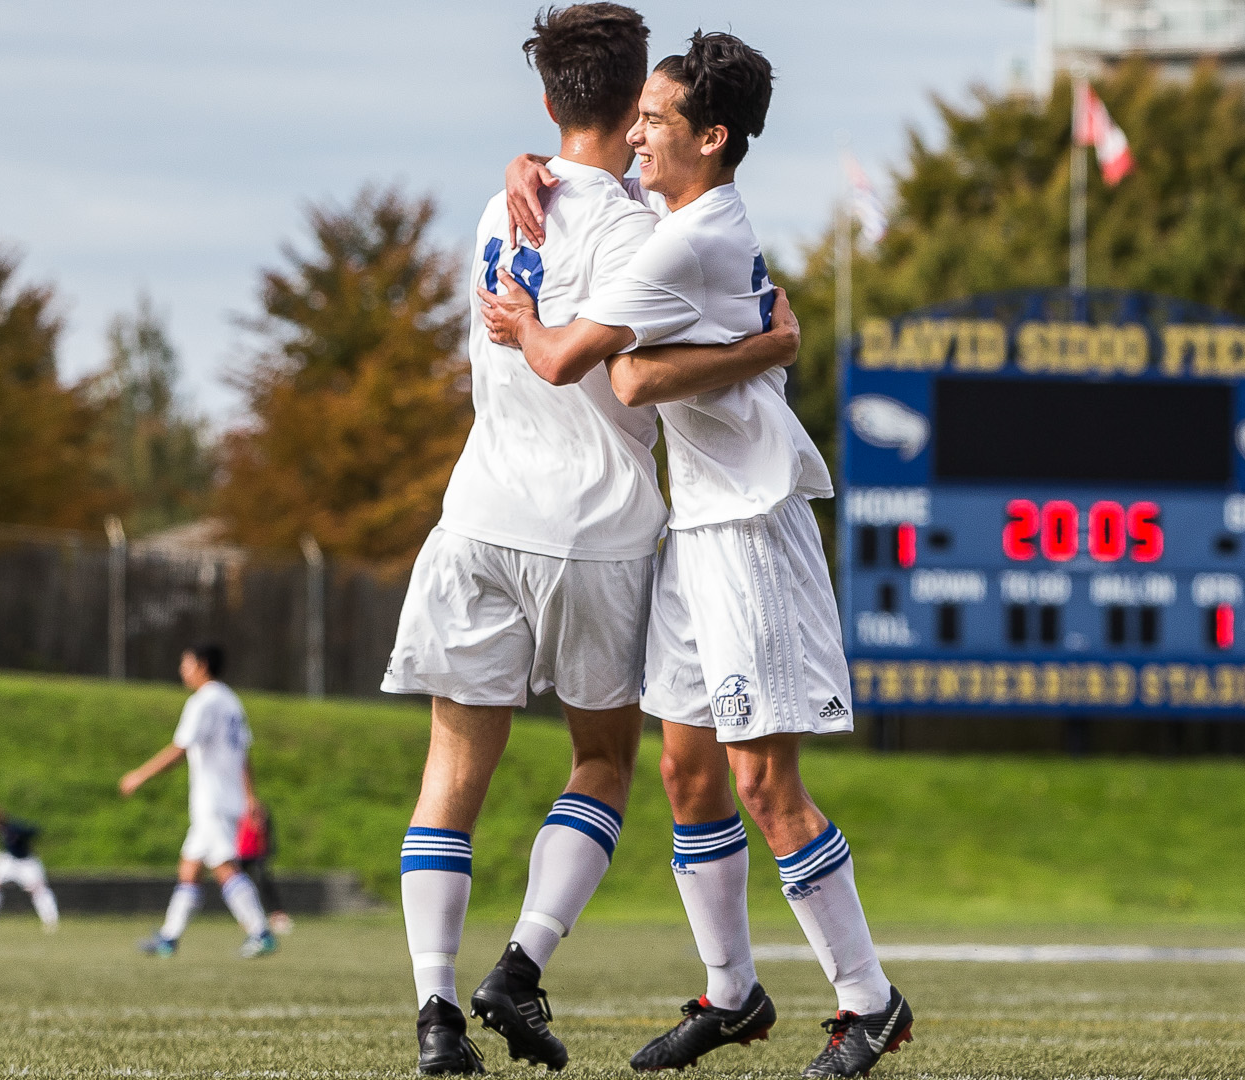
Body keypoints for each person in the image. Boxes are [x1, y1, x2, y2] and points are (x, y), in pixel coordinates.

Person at [483, 33, 913, 1078]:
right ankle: (732, 995)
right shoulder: (686, 212)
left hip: (752, 528)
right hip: (699, 526)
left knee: (764, 784)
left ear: (711, 137)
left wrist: (524, 321)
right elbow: (597, 177)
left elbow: (582, 367)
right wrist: (529, 164)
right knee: (684, 768)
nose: (635, 133)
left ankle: (871, 1003)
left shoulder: (685, 242)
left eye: (656, 119)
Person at [380, 6, 799, 1074]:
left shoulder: (501, 203)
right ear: (638, 105)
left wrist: (525, 163)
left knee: (450, 775)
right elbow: (636, 364)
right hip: (594, 531)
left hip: (478, 514)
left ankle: (435, 1013)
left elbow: (552, 204)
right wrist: (770, 344)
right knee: (603, 762)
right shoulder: (649, 230)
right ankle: (520, 963)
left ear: (546, 100)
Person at [121, 643, 276, 958]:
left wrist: (140, 775)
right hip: (225, 798)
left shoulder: (203, 702)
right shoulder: (231, 700)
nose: (182, 670)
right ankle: (169, 938)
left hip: (212, 801)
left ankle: (260, 932)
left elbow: (180, 748)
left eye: (186, 663)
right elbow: (243, 754)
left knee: (224, 867)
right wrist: (249, 796)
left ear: (202, 665)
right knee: (190, 867)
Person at [0, 805, 59, 932]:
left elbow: (32, 831)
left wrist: (22, 836)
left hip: (26, 861)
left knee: (38, 889)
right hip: (8, 859)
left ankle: (51, 920)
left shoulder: (13, 827)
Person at [235, 805, 292, 936]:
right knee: (240, 885)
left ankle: (277, 914)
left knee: (264, 882)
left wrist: (267, 851)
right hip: (240, 854)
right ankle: (246, 917)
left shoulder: (259, 810)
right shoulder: (235, 810)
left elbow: (266, 833)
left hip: (257, 854)